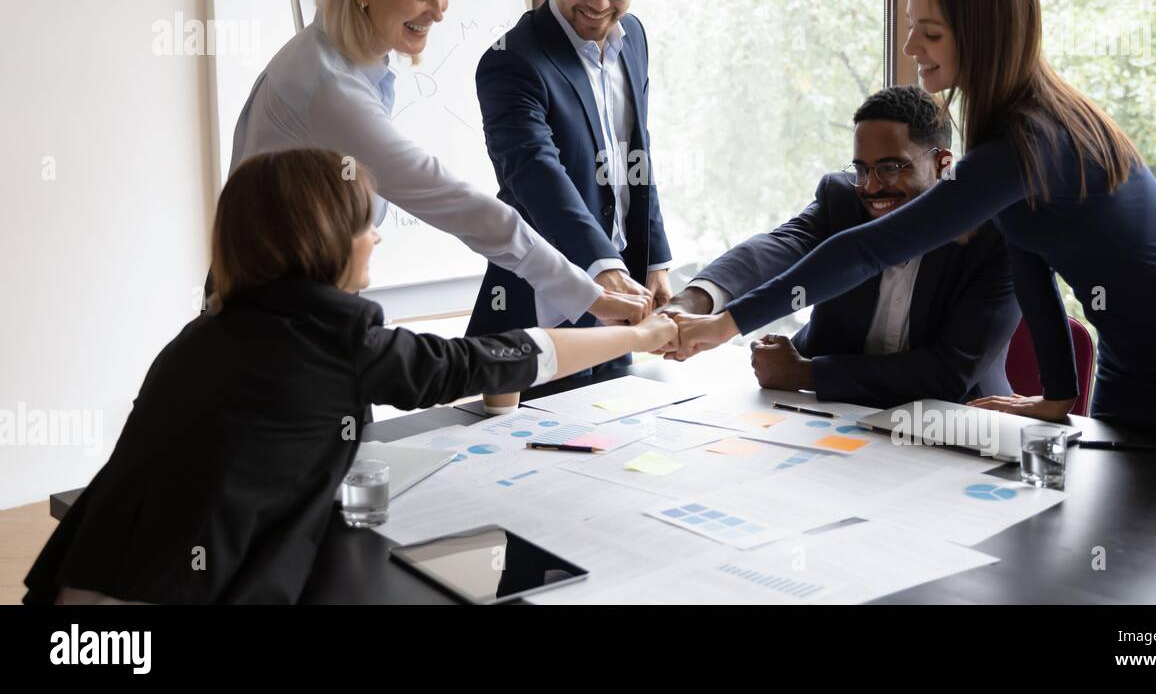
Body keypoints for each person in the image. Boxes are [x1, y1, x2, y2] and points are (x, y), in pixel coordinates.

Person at [671, 0, 1156, 455]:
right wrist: (1057, 394)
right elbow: (1031, 268)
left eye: (931, 33)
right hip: (1133, 364)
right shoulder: (1009, 135)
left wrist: (726, 323)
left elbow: (873, 249)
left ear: (983, 35)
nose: (912, 48)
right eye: (914, 28)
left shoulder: (1032, 139)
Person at [23, 149, 678, 605]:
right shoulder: (334, 343)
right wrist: (643, 335)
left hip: (84, 584)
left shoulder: (208, 332)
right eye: (367, 225)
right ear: (326, 239)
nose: (377, 240)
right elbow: (493, 360)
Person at [224, 0, 649, 329]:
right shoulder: (328, 85)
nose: (440, 12)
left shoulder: (353, 59)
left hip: (307, 318)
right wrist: (591, 291)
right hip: (273, 331)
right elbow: (453, 201)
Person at [661, 86, 1019, 408]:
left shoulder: (994, 236)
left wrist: (805, 374)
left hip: (956, 428)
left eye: (891, 168)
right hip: (823, 418)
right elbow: (778, 248)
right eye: (862, 170)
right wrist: (694, 301)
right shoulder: (842, 201)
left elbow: (947, 375)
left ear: (942, 164)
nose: (872, 188)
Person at [467, 0, 672, 380]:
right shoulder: (511, 61)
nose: (601, 4)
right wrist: (603, 267)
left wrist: (655, 258)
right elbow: (535, 172)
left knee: (612, 447)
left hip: (618, 296)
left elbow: (634, 152)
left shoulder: (634, 38)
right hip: (538, 309)